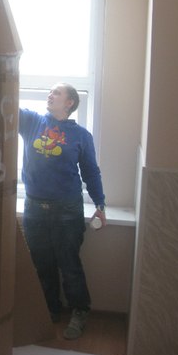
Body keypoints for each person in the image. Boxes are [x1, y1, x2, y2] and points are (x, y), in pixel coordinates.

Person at [19, 83, 106, 339]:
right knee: (41, 263)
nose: (50, 94)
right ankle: (50, 309)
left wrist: (100, 204)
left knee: (69, 264)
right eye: (50, 91)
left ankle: (80, 311)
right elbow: (7, 105)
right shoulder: (32, 122)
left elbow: (91, 172)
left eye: (57, 92)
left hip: (66, 210)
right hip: (34, 207)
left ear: (70, 103)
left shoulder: (80, 136)